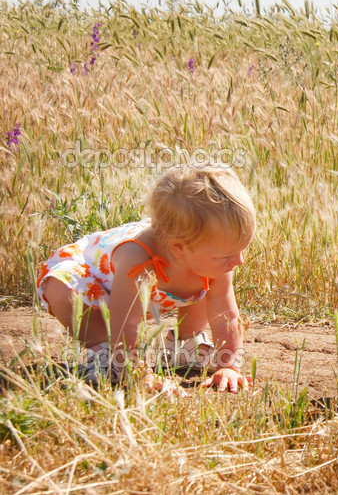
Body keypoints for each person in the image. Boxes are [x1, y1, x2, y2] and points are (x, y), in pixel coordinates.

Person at [36, 165, 255, 393]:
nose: (238, 261)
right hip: (96, 279)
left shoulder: (209, 254)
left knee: (209, 274)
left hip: (172, 272)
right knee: (61, 287)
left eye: (241, 250)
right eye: (228, 255)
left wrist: (229, 366)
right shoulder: (138, 260)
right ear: (179, 248)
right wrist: (138, 372)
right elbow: (125, 323)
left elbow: (226, 315)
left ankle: (185, 344)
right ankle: (104, 353)